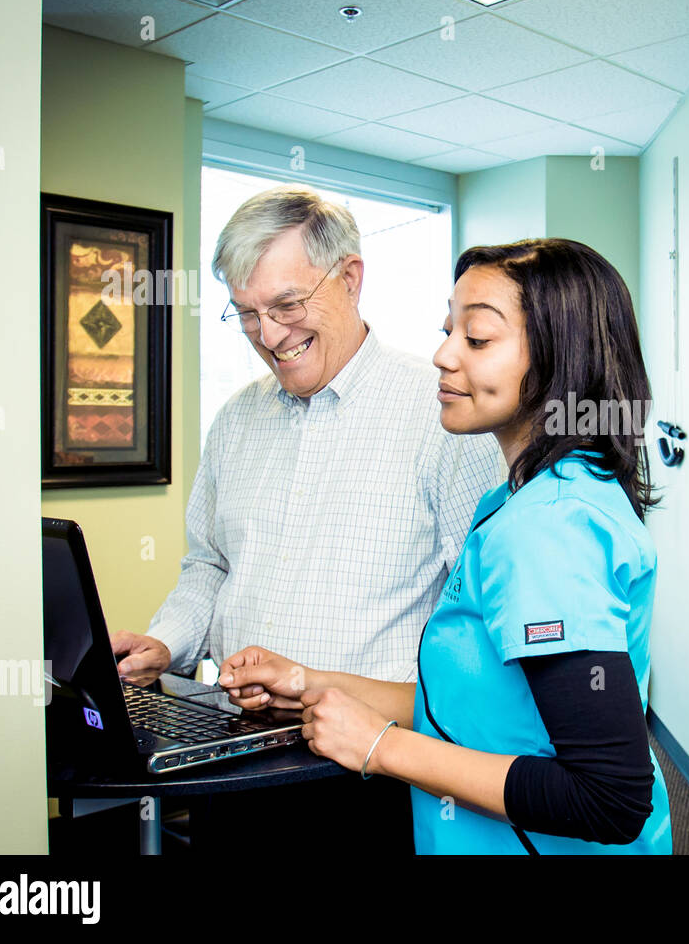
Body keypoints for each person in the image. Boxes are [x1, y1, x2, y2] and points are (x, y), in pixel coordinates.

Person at [219, 238, 673, 854]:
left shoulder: (549, 527)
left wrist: (381, 748)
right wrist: (307, 681)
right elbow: (464, 713)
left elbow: (610, 795)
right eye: (447, 331)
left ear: (563, 359)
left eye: (477, 340)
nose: (442, 355)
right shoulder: (521, 502)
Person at [110, 185, 503, 852]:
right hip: (231, 756)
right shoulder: (236, 419)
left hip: (370, 776)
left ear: (350, 278)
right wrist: (165, 643)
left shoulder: (444, 415)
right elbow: (209, 563)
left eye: (288, 305)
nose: (269, 336)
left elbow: (482, 622)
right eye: (247, 314)